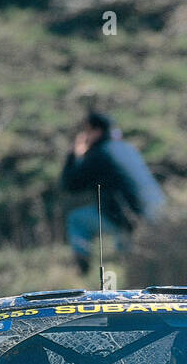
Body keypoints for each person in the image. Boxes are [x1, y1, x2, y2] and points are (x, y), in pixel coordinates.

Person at [59, 111, 165, 274]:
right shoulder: (128, 149)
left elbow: (70, 184)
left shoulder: (100, 153)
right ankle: (128, 270)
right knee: (128, 255)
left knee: (76, 219)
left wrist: (74, 155)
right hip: (156, 213)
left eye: (87, 131)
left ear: (97, 131)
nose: (85, 136)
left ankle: (82, 271)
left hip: (126, 217)